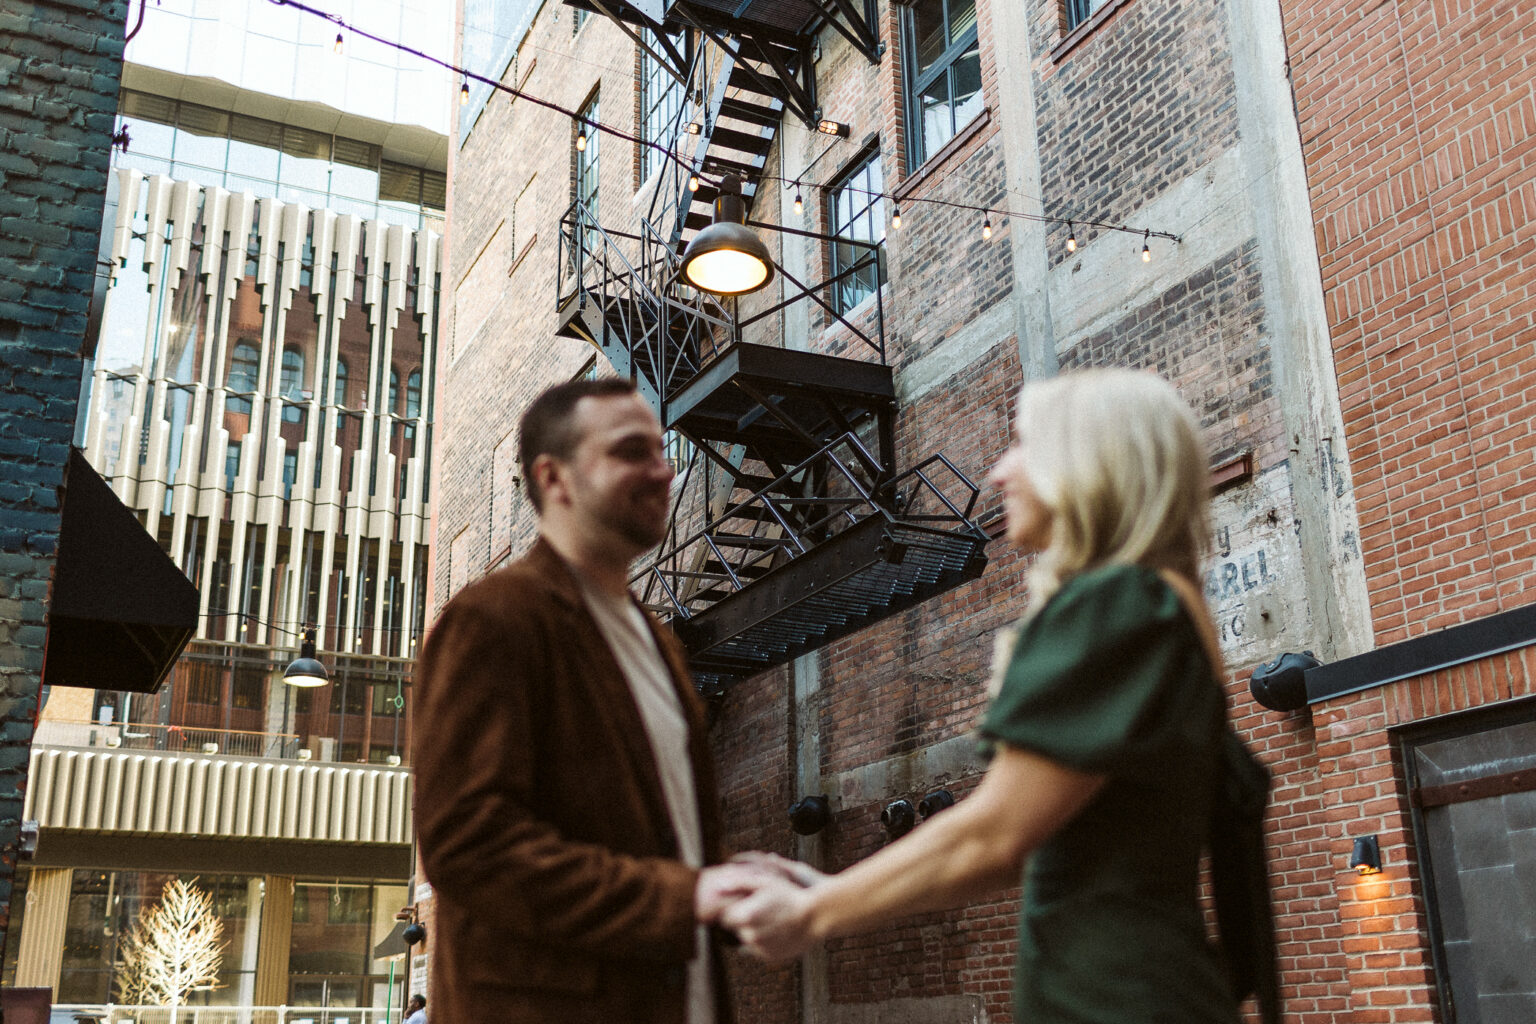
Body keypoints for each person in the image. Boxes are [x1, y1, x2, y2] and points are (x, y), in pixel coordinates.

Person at [715, 368, 1244, 1024]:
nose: (997, 474)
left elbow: (993, 836)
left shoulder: (1116, 603)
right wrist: (832, 889)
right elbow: (1012, 849)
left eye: (1021, 444)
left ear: (1087, 464)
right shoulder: (1163, 607)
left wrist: (812, 912)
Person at [414, 378, 764, 1024]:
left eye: (662, 451)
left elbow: (654, 854)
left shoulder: (656, 642)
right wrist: (686, 896)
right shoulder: (494, 620)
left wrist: (732, 884)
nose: (663, 471)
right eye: (632, 452)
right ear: (554, 479)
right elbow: (469, 845)